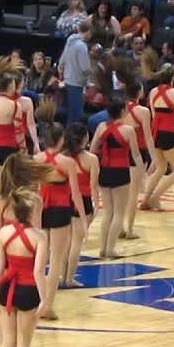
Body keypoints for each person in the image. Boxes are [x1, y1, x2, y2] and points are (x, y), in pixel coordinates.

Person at [0, 187, 49, 347]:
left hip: (7, 287)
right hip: (27, 289)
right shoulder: (40, 237)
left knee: (8, 341)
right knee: (24, 343)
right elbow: (38, 272)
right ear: (33, 212)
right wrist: (44, 299)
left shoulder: (4, 234)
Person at [34, 118, 87, 320]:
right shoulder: (68, 163)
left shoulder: (36, 159)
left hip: (41, 208)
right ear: (61, 140)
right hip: (61, 210)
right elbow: (75, 194)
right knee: (56, 260)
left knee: (40, 258)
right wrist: (82, 219)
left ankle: (39, 300)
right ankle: (48, 305)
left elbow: (30, 188)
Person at [91, 99, 144, 258]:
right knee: (119, 213)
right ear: (122, 112)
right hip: (120, 171)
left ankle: (103, 248)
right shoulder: (128, 130)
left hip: (104, 171)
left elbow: (93, 149)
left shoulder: (101, 127)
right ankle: (110, 249)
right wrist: (142, 175)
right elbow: (136, 155)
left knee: (107, 212)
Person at [142, 65, 174, 211]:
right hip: (168, 134)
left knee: (160, 168)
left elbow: (153, 114)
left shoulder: (153, 92)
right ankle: (155, 197)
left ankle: (145, 200)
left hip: (155, 132)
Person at [0, 71, 26, 235]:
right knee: (6, 192)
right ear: (10, 86)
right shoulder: (15, 105)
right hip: (8, 149)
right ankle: (2, 227)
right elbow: (18, 131)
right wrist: (23, 149)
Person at [64, 122, 98, 295]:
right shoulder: (91, 159)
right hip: (82, 201)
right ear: (85, 138)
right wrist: (97, 205)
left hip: (64, 200)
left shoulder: (63, 157)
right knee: (76, 242)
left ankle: (62, 275)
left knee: (64, 242)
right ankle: (69, 278)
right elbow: (93, 186)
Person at [61, 20, 92, 126]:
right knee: (76, 114)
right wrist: (91, 75)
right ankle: (71, 138)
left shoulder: (70, 40)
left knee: (72, 112)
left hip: (68, 79)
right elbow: (85, 67)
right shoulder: (82, 46)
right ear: (88, 32)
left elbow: (63, 59)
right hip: (76, 82)